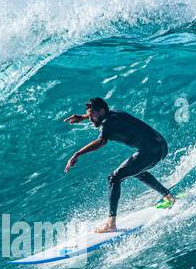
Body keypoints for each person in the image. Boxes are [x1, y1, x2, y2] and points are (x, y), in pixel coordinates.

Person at [64, 98, 175, 232]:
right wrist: (82, 117)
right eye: (89, 115)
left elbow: (101, 142)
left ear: (102, 111)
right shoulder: (113, 114)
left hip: (151, 150)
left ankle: (111, 224)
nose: (90, 119)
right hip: (160, 146)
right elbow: (96, 115)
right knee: (136, 171)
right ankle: (169, 197)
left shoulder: (107, 123)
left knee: (114, 178)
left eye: (92, 115)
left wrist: (77, 154)